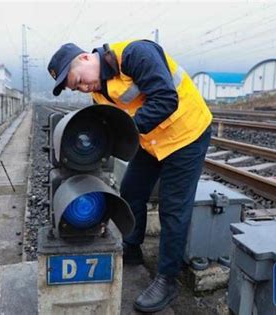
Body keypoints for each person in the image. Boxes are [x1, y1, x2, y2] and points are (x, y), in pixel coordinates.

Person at [48, 40, 212, 313]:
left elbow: (166, 98)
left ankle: (167, 279)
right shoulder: (99, 94)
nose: (83, 87)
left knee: (173, 207)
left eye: (78, 80)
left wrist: (126, 131)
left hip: (187, 134)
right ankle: (132, 249)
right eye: (76, 88)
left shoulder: (134, 54)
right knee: (132, 191)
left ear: (87, 58)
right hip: (152, 140)